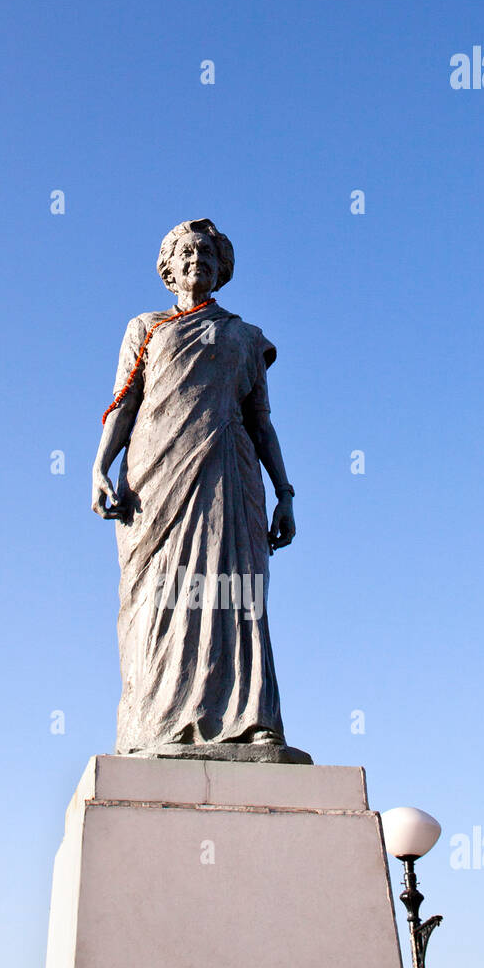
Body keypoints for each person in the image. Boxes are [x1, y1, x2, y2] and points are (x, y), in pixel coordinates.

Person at [91, 218, 304, 759]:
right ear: (167, 269)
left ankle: (250, 718)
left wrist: (285, 492)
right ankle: (155, 722)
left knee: (237, 595)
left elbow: (262, 421)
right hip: (156, 478)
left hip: (229, 476)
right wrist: (98, 466)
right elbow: (124, 405)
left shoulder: (245, 337)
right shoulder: (147, 328)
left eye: (206, 253)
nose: (196, 261)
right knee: (158, 599)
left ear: (221, 267)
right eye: (185, 253)